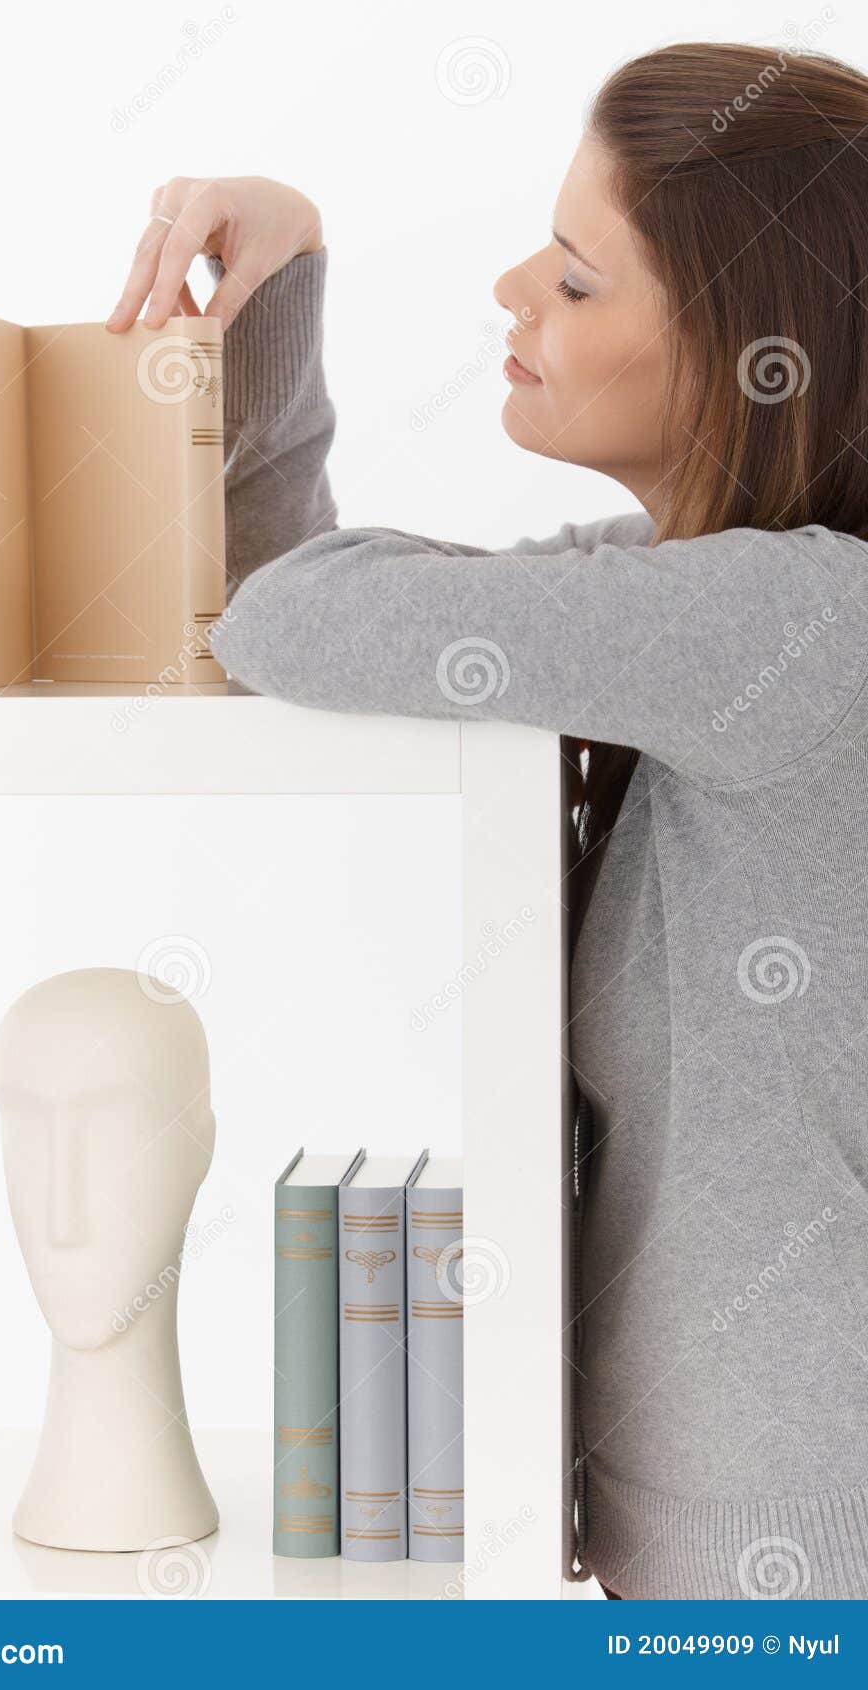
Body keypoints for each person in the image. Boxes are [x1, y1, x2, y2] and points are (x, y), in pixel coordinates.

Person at [107, 43, 868, 1601]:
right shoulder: (736, 610)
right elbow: (309, 625)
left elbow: (293, 621)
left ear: (746, 352)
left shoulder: (787, 628)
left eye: (582, 283)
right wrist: (285, 278)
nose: (518, 290)